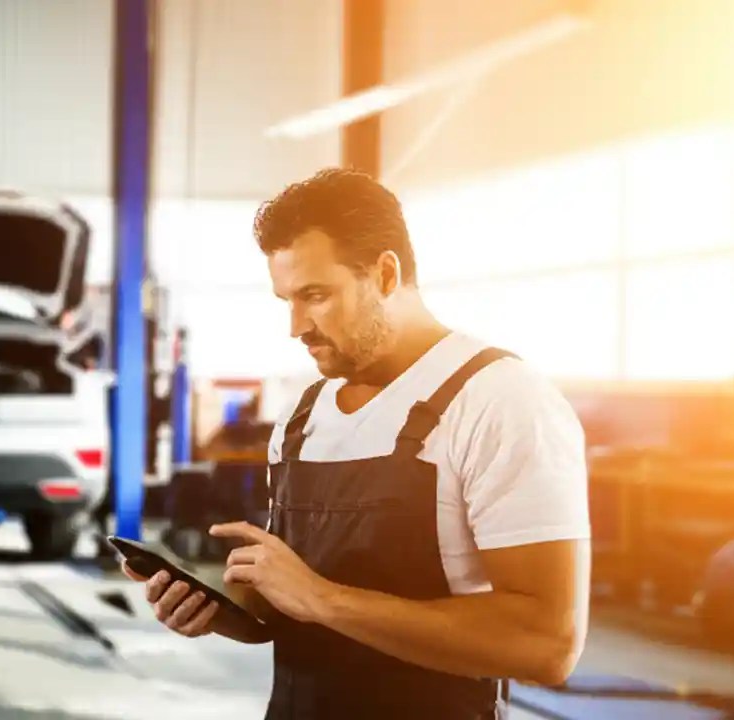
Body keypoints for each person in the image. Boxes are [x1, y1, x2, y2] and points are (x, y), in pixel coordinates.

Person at [122, 167, 591, 719]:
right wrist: (221, 609)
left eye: (315, 295)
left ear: (386, 274)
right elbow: (295, 611)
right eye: (286, 300)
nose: (296, 326)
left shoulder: (500, 400)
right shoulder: (302, 416)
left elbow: (547, 644)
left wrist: (324, 599)